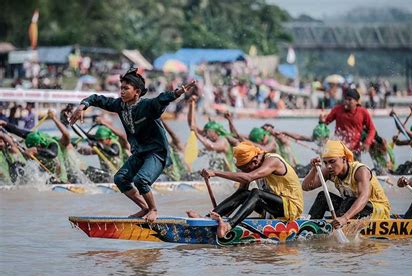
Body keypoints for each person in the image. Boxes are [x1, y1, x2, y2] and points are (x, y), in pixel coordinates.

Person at [70, 67, 196, 222]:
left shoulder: (148, 106)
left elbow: (162, 98)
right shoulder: (119, 105)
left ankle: (153, 209)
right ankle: (144, 208)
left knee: (141, 180)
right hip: (139, 152)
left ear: (137, 91)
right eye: (121, 88)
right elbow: (97, 99)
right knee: (120, 179)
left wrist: (177, 92)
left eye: (126, 88)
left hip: (156, 153)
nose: (121, 91)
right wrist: (82, 106)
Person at [192, 141, 303, 238]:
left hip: (291, 208)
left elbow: (249, 177)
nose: (243, 171)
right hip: (273, 207)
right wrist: (221, 214)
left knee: (257, 193)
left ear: (254, 161)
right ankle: (206, 219)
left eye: (244, 168)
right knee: (244, 193)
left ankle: (228, 226)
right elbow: (240, 196)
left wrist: (216, 173)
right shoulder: (254, 164)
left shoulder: (273, 161)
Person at [302, 140, 391, 229]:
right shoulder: (329, 171)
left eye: (332, 161)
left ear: (344, 159)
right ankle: (309, 226)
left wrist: (345, 218)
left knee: (350, 201)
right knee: (323, 196)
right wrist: (314, 169)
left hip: (378, 210)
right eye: (325, 163)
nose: (328, 166)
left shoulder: (360, 171)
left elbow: (364, 197)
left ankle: (337, 224)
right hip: (351, 208)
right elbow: (306, 187)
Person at [0, 120, 68, 183]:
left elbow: (53, 154)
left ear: (39, 145)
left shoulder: (52, 144)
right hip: (48, 177)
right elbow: (19, 132)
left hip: (60, 179)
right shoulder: (35, 136)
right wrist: (4, 124)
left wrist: (36, 150)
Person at [322, 89, 376, 160]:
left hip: (355, 150)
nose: (346, 102)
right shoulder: (337, 109)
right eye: (345, 99)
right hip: (339, 150)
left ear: (356, 101)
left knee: (357, 169)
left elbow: (372, 129)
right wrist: (322, 121)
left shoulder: (363, 112)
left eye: (350, 100)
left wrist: (367, 142)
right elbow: (324, 124)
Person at [188, 97, 236, 171]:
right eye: (205, 132)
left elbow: (211, 146)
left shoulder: (222, 140)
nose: (206, 135)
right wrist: (191, 106)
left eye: (208, 132)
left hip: (231, 178)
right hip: (221, 177)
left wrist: (196, 134)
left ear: (216, 133)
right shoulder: (212, 138)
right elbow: (192, 125)